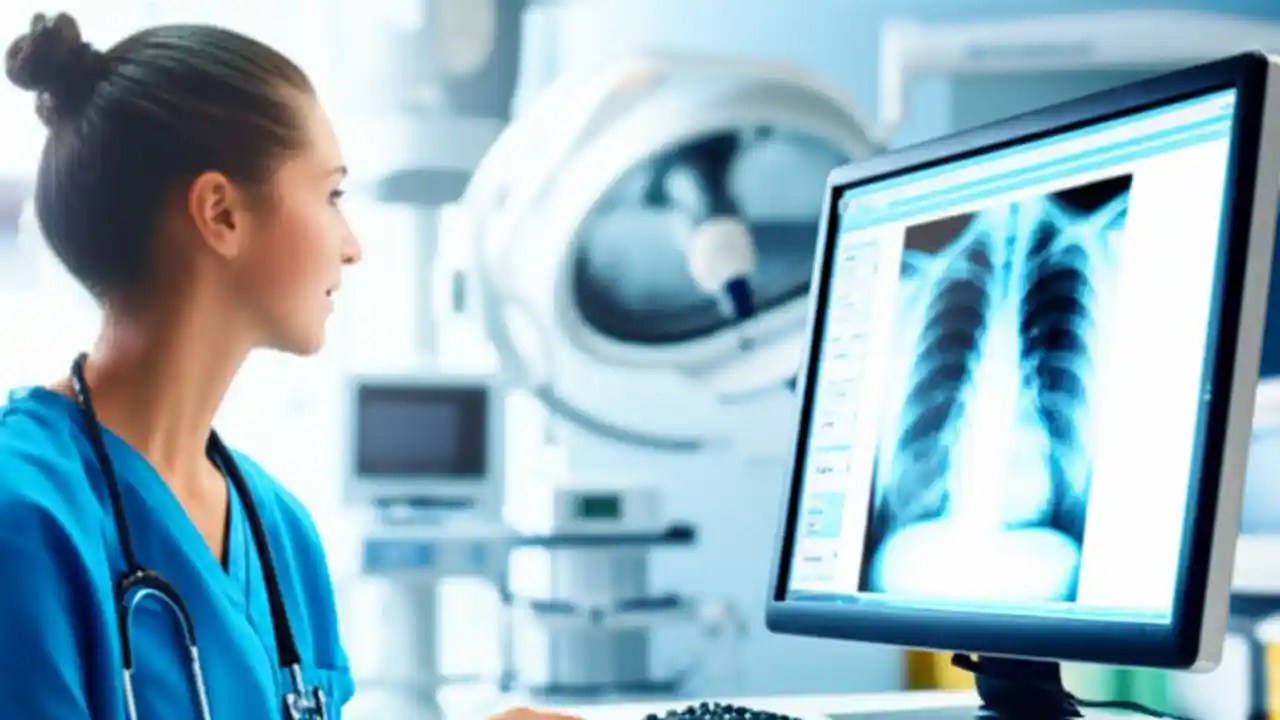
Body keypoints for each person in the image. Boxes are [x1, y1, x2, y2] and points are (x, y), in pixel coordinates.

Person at [0, 11, 580, 720]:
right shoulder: (24, 516)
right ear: (222, 213)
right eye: (332, 194)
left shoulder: (278, 533)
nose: (352, 244)